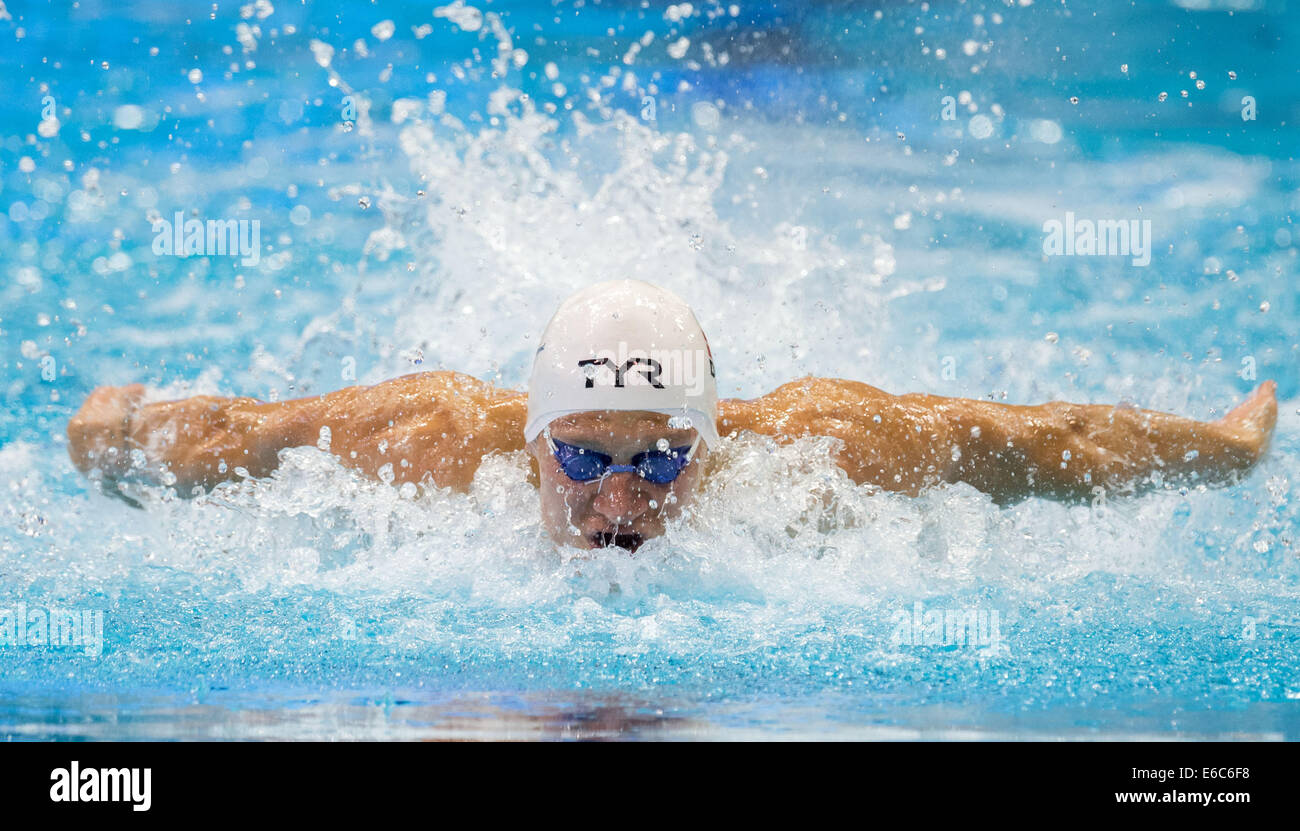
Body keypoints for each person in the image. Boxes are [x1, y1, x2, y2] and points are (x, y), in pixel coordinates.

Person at [66, 280, 1278, 553]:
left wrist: (1222, 452)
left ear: (716, 439)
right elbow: (237, 438)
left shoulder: (823, 445)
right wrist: (114, 442)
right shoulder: (432, 437)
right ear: (534, 441)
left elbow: (1040, 444)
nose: (619, 499)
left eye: (662, 463)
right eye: (585, 456)